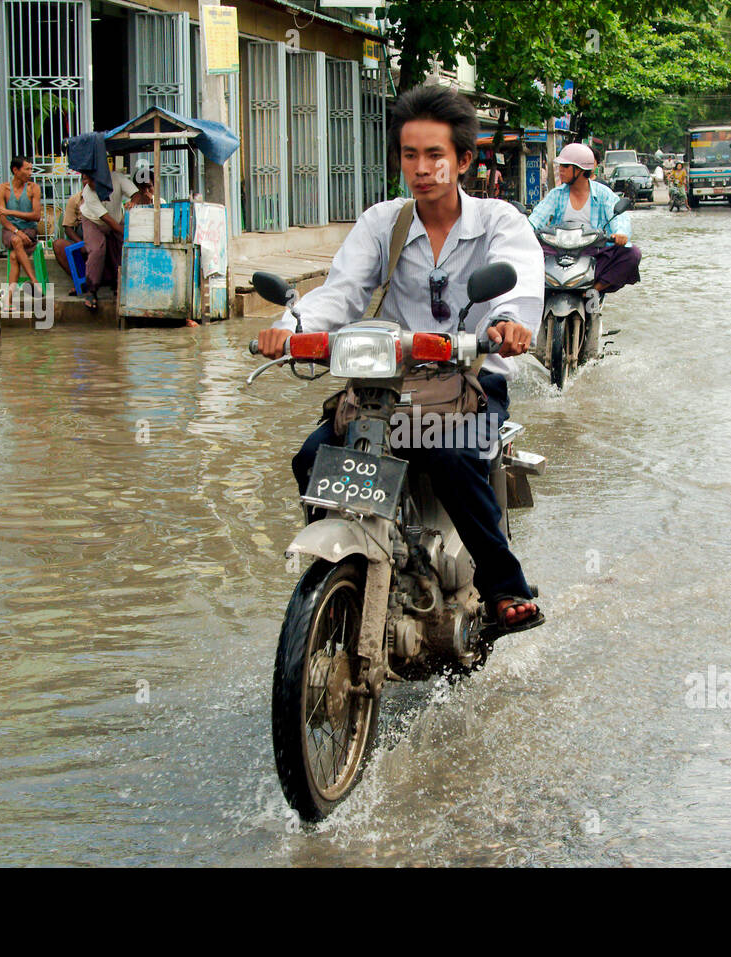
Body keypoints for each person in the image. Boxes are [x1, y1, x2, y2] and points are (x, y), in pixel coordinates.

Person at [256, 84, 544, 635]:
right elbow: (340, 293)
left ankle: (505, 583)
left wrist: (507, 324)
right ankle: (343, 580)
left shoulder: (499, 222)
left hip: (471, 380)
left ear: (463, 159)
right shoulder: (381, 223)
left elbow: (518, 283)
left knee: (445, 449)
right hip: (386, 383)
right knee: (310, 458)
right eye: (410, 155)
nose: (422, 167)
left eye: (436, 155)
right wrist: (290, 329)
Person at [528, 142, 641, 301]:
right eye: (561, 166)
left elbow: (619, 217)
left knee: (632, 254)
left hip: (592, 252)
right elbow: (537, 217)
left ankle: (594, 290)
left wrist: (621, 233)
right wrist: (525, 229)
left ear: (580, 170)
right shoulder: (556, 194)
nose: (560, 171)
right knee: (524, 254)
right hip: (558, 251)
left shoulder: (603, 194)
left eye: (566, 166)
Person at [75, 165, 139, 311]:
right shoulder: (88, 193)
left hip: (115, 217)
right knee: (97, 249)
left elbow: (135, 193)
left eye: (91, 180)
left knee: (123, 248)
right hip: (93, 220)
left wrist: (133, 202)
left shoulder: (117, 178)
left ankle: (120, 285)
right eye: (86, 180)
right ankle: (91, 291)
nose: (89, 184)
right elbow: (107, 220)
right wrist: (128, 234)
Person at [0, 156, 43, 298]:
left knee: (14, 256)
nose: (30, 173)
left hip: (29, 230)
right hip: (10, 231)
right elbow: (3, 220)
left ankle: (8, 300)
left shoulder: (33, 188)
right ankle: (34, 280)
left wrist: (10, 212)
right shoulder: (2, 189)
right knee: (16, 240)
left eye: (31, 169)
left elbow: (36, 216)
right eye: (27, 169)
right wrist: (17, 231)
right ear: (15, 170)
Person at [51, 189, 84, 285]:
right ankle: (79, 281)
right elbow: (67, 227)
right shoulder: (75, 199)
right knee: (58, 245)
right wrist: (80, 243)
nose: (87, 182)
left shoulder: (105, 197)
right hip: (80, 239)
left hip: (100, 240)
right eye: (84, 179)